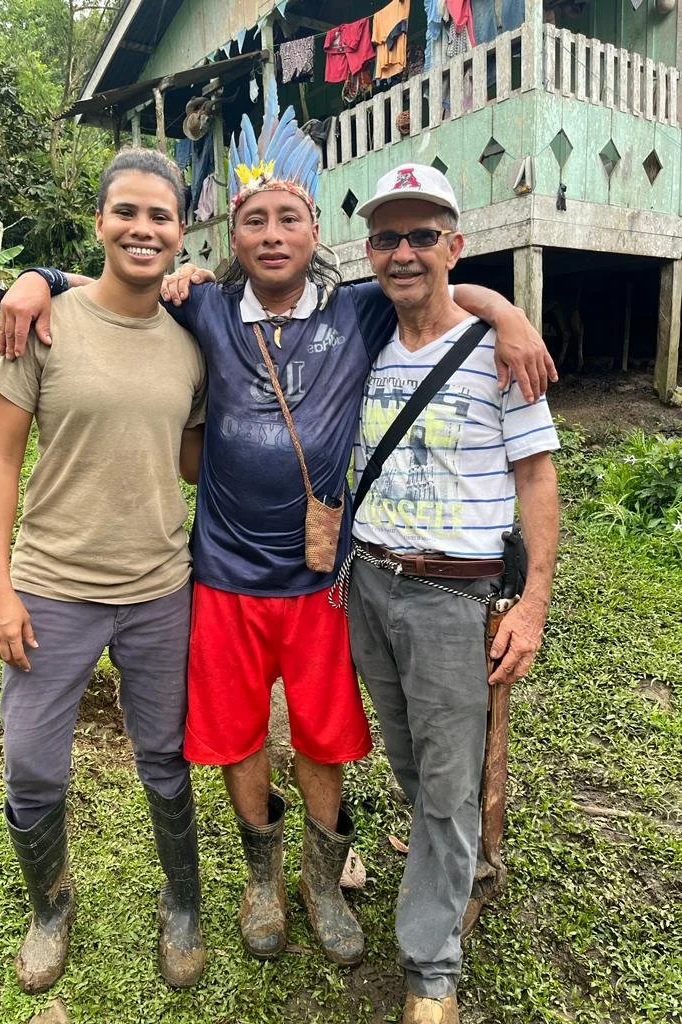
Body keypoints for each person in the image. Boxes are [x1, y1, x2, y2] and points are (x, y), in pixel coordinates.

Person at [0, 83, 556, 968]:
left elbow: (435, 288)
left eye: (288, 218)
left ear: (313, 233)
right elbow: (121, 275)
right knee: (238, 734)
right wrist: (40, 276)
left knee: (326, 738)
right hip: (219, 580)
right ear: (233, 236)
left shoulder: (357, 310)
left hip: (325, 586)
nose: (270, 234)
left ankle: (322, 879)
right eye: (253, 218)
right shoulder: (204, 307)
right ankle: (261, 877)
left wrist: (507, 309)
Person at [0, 148, 207, 995]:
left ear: (182, 232)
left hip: (158, 590)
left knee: (165, 755)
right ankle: (50, 903)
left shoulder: (192, 340)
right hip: (51, 585)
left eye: (161, 217)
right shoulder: (43, 323)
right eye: (127, 214)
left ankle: (181, 899)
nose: (143, 230)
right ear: (101, 221)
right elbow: (1, 462)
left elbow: (189, 462)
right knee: (33, 763)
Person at [345, 165, 559, 1024]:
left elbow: (537, 481)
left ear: (454, 246)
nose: (405, 252)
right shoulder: (364, 339)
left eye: (423, 235)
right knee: (411, 758)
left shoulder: (496, 353)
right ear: (369, 254)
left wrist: (535, 602)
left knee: (445, 781)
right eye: (388, 237)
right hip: (366, 585)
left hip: (452, 597)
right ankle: (459, 857)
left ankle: (431, 970)